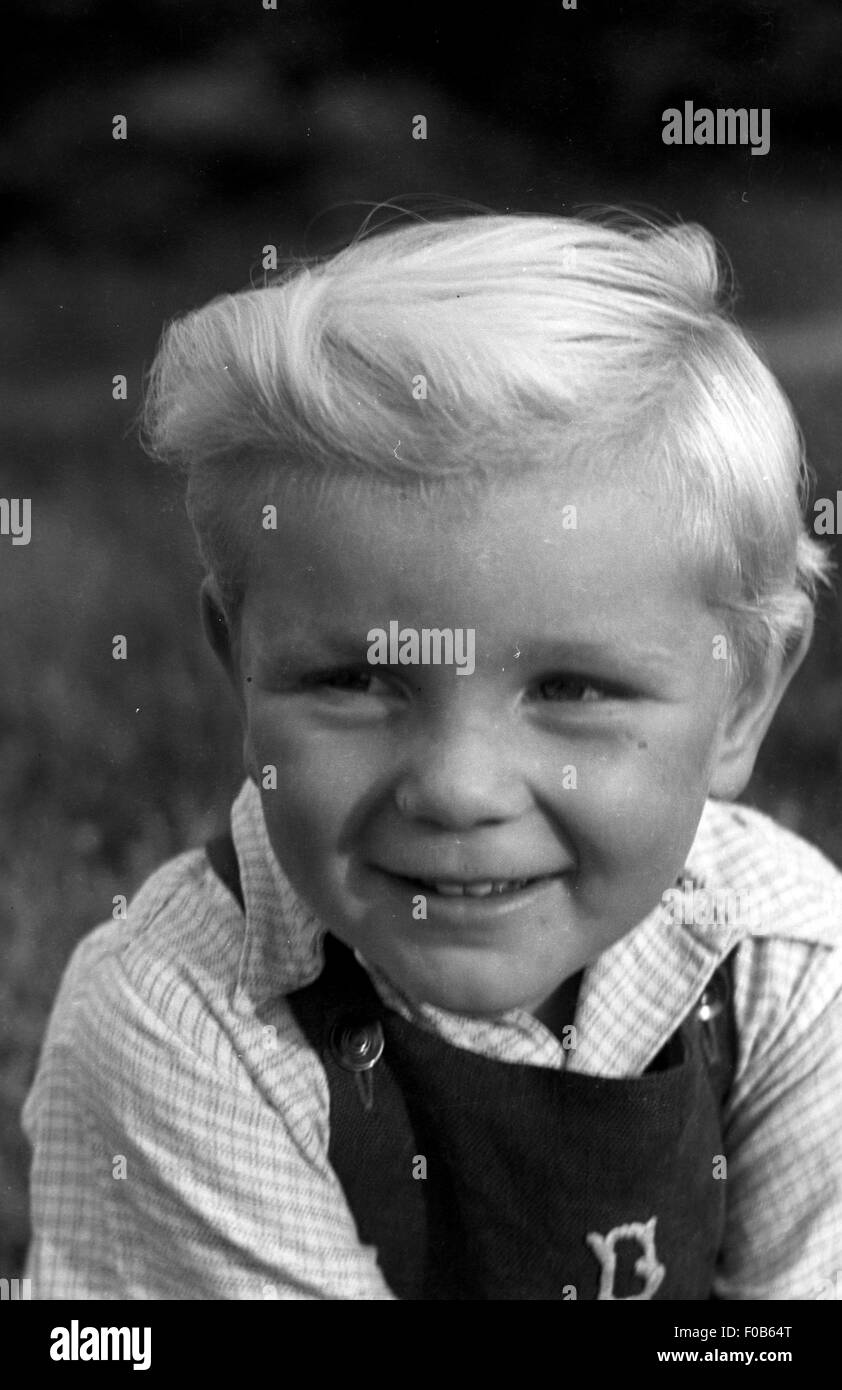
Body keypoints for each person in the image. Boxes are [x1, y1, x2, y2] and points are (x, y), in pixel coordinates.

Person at [23, 211, 842, 1299]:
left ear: (740, 701)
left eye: (569, 689)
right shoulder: (180, 1018)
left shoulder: (786, 960)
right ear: (238, 668)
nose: (456, 788)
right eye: (356, 682)